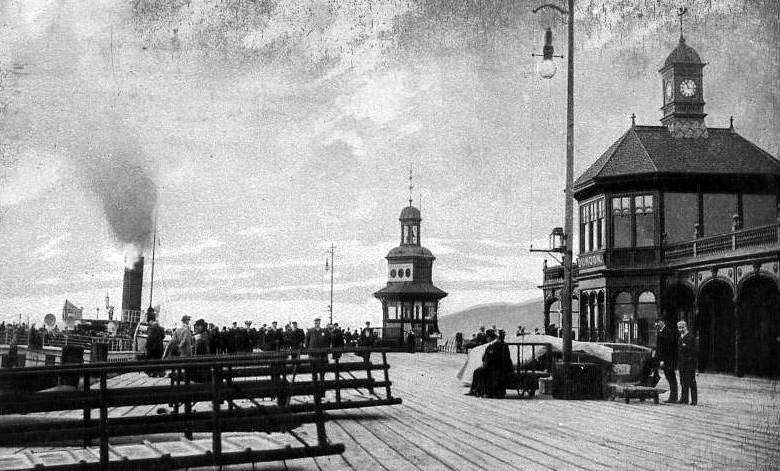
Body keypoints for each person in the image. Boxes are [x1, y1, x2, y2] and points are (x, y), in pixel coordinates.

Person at [466, 330, 513, 398]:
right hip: (500, 367)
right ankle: (478, 390)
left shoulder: (494, 345)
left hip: (495, 368)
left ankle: (477, 390)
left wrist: (486, 363)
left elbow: (488, 358)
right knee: (479, 371)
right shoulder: (501, 345)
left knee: (477, 372)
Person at [656, 318, 678, 403]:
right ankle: (673, 396)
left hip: (668, 360)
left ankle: (673, 397)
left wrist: (663, 360)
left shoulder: (667, 332)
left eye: (658, 322)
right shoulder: (661, 331)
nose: (656, 324)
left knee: (671, 377)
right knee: (669, 377)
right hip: (666, 360)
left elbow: (668, 348)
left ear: (662, 322)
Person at [677, 320, 698, 405]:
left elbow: (694, 351)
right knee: (683, 381)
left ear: (686, 327)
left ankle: (694, 400)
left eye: (682, 327)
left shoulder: (691, 337)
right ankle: (684, 398)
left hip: (689, 363)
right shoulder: (680, 338)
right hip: (682, 363)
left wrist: (692, 361)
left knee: (691, 381)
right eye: (679, 328)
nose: (680, 329)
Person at [305, 318, 331, 382]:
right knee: (314, 368)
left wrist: (326, 349)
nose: (317, 324)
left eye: (318, 323)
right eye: (316, 323)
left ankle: (322, 379)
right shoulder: (310, 331)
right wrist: (309, 349)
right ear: (314, 323)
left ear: (320, 323)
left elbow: (328, 340)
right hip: (313, 353)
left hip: (322, 353)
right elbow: (306, 341)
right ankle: (314, 380)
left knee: (322, 368)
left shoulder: (324, 331)